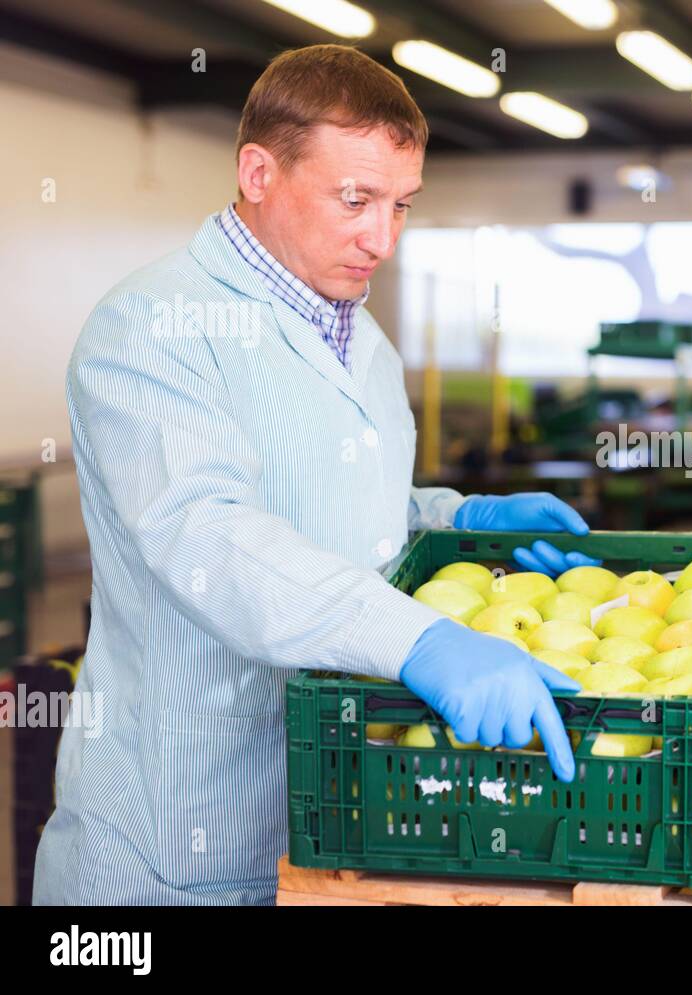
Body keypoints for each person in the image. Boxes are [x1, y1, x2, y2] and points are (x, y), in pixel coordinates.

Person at [35, 45, 597, 906]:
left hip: (331, 825)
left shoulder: (358, 337)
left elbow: (338, 514)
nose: (384, 237)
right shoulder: (151, 328)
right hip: (175, 841)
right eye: (356, 199)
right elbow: (214, 538)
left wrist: (459, 518)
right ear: (258, 171)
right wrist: (421, 640)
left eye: (402, 205)